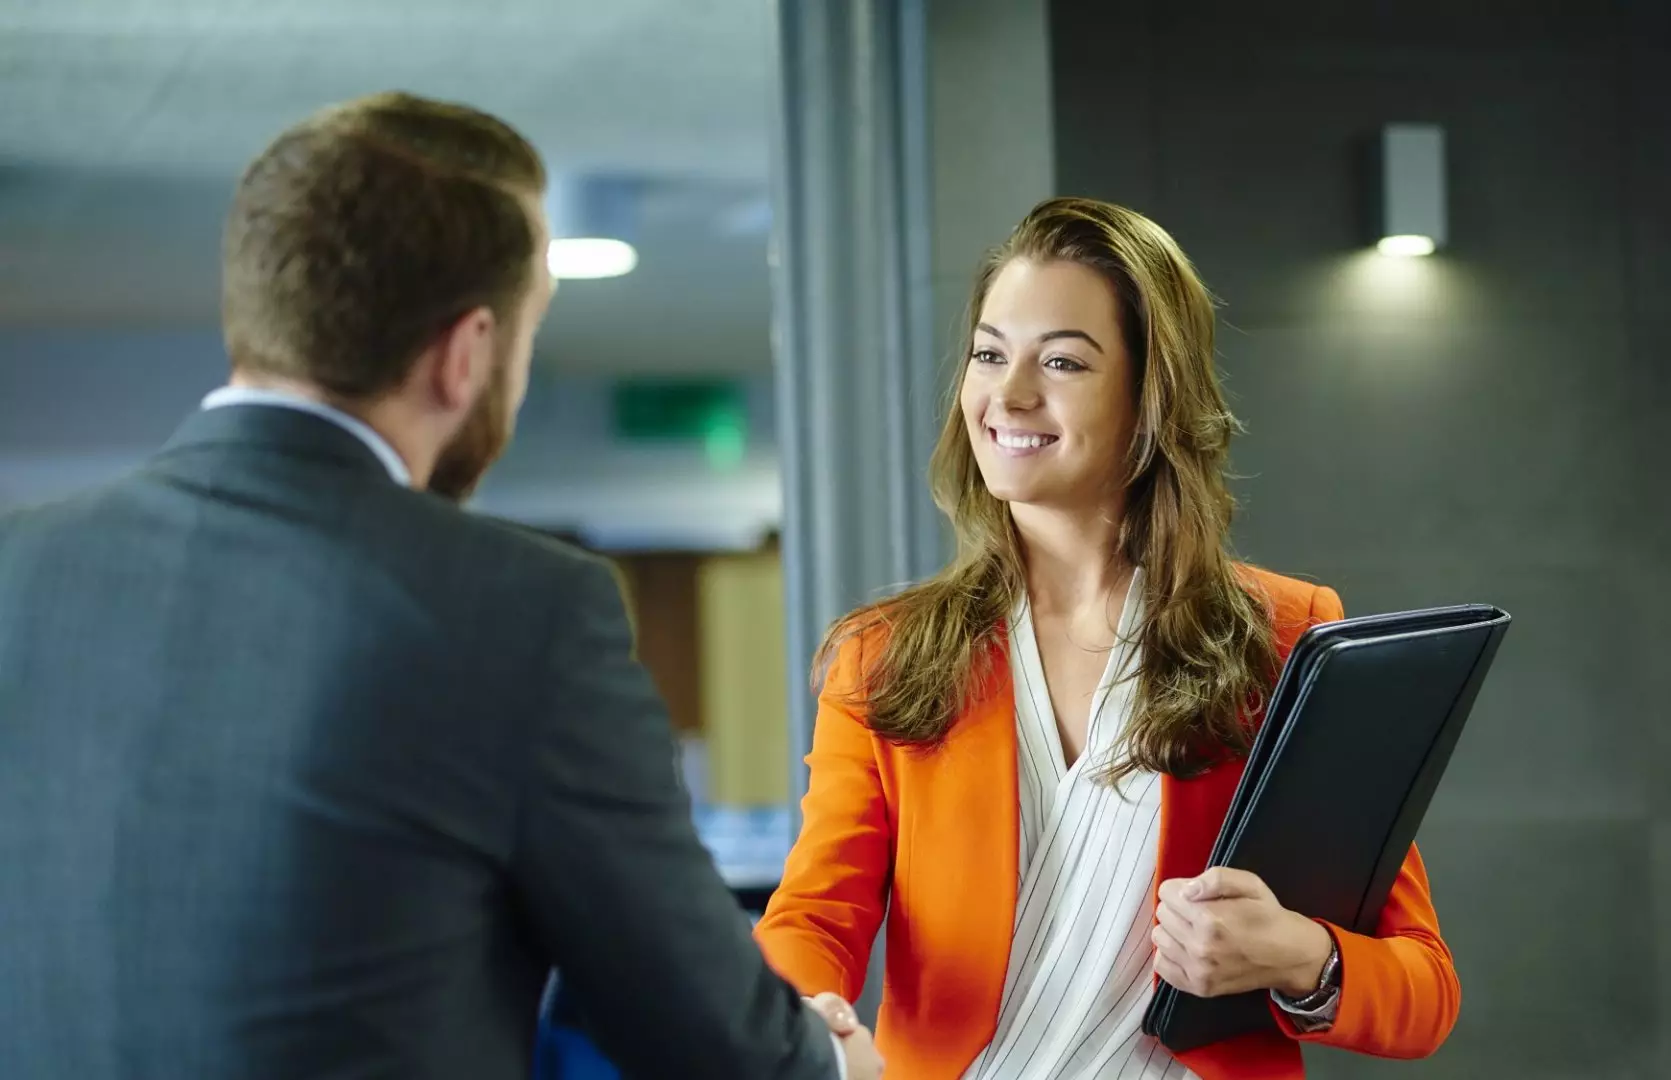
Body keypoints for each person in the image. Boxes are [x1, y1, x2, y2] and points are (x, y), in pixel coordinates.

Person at [0, 92, 878, 1080]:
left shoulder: (19, 569)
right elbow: (707, 1034)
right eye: (526, 336)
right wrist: (835, 1061)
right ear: (466, 356)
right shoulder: (519, 611)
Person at [755, 197, 1459, 1079]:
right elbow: (815, 917)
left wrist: (1296, 954)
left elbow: (1423, 989)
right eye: (988, 354)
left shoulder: (1283, 639)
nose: (1008, 395)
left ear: (1148, 394)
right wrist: (804, 1015)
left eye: (1061, 360)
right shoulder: (884, 654)